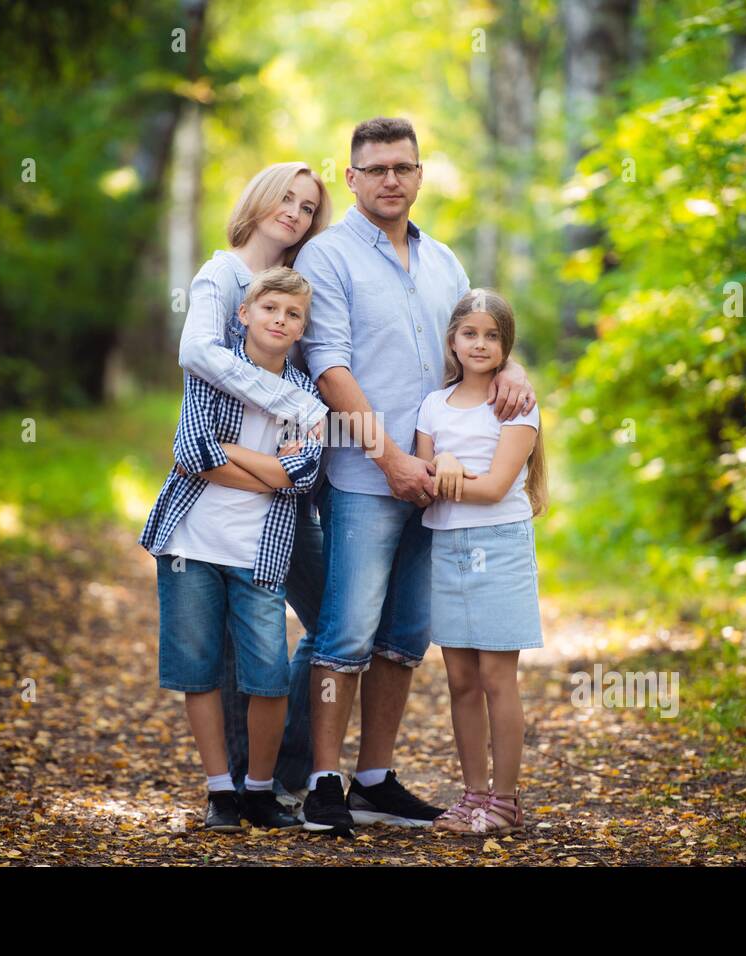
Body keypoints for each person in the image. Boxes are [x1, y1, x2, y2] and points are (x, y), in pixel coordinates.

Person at [293, 117, 538, 836]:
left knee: (403, 637)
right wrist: (390, 457)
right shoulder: (328, 257)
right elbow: (328, 366)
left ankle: (374, 778)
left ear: (420, 174)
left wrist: (514, 367)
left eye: (402, 167)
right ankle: (322, 783)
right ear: (352, 178)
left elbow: (480, 338)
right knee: (344, 634)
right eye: (375, 170)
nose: (390, 180)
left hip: (440, 489)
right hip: (366, 478)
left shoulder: (445, 263)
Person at [141, 267, 323, 832]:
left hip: (261, 552)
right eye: (270, 308)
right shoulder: (211, 371)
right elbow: (192, 452)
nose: (280, 320)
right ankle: (220, 791)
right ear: (243, 314)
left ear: (300, 330)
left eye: (293, 315)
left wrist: (234, 455)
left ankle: (260, 790)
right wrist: (273, 471)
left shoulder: (307, 396)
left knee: (267, 674)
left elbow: (305, 474)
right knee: (198, 672)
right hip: (189, 542)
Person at [175, 162, 332, 799]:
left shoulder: (301, 281)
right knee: (233, 648)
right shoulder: (222, 273)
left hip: (285, 489)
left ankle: (281, 772)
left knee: (332, 622)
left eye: (306, 206)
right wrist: (284, 403)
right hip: (216, 490)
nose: (294, 212)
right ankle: (237, 783)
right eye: (285, 198)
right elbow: (197, 355)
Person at [414, 288, 548, 834]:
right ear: (452, 340)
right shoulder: (432, 406)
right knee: (461, 680)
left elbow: (495, 488)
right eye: (470, 333)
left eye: (493, 335)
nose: (480, 343)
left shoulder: (515, 403)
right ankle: (473, 797)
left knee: (497, 677)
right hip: (447, 548)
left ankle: (506, 801)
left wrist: (447, 475)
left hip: (499, 547)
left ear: (505, 345)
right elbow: (423, 485)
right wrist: (441, 463)